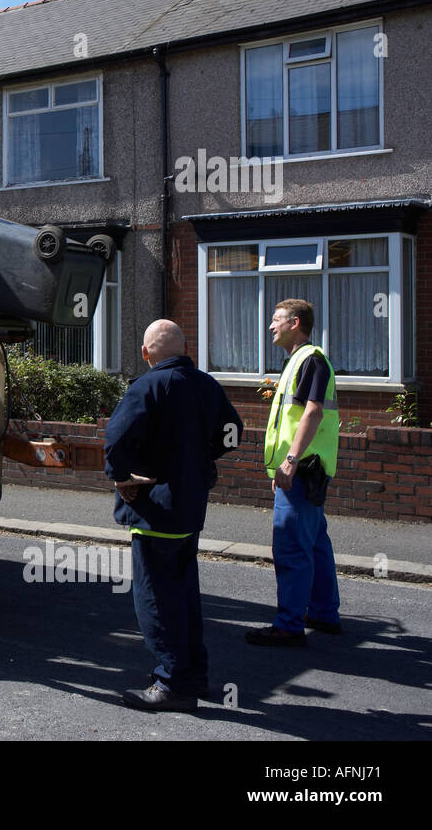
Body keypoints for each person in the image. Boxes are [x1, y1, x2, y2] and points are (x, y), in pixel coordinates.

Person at [105, 320, 243, 711]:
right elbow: (233, 430)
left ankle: (173, 684)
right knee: (183, 596)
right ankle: (192, 676)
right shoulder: (206, 385)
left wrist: (120, 477)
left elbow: (115, 439)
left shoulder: (146, 386)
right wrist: (201, 459)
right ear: (185, 349)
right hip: (189, 510)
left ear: (147, 353)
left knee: (156, 599)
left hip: (154, 509)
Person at [246, 299, 341, 647]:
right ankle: (323, 613)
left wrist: (290, 461)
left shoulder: (311, 359)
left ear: (295, 322)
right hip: (305, 470)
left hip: (302, 471)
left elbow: (312, 413)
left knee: (291, 548)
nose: (271, 326)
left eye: (276, 320)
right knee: (315, 544)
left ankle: (289, 625)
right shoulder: (298, 361)